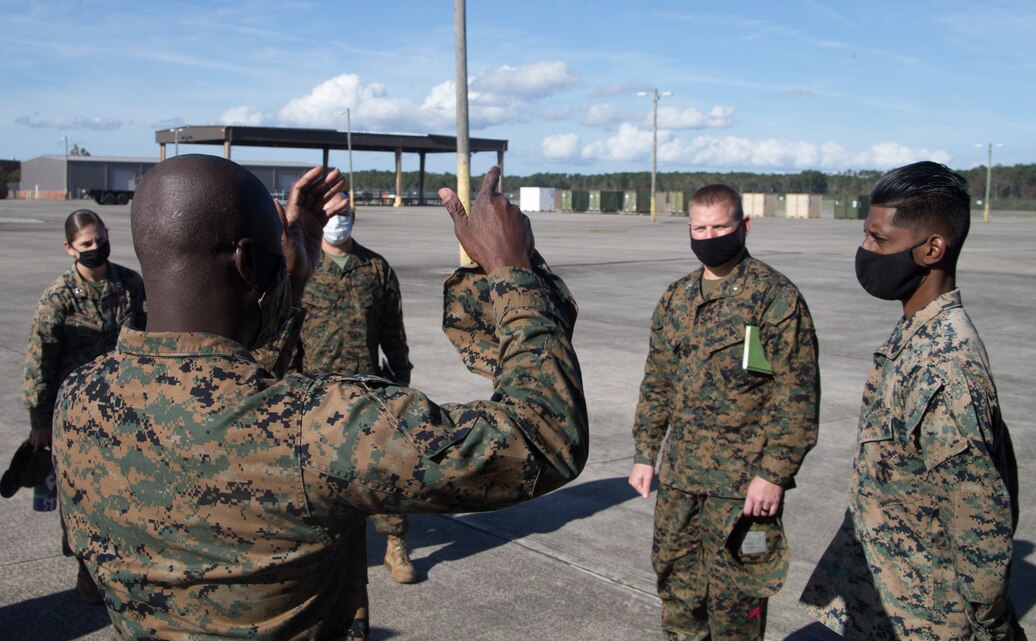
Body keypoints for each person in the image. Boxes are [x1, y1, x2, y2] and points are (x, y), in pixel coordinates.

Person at [52, 154, 588, 640]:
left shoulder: (79, 401)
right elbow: (541, 438)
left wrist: (286, 281)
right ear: (247, 263)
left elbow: (229, 380)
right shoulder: (318, 426)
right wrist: (512, 273)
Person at [800, 161, 1024, 640]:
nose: (864, 250)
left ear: (932, 249)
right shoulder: (916, 334)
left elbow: (980, 525)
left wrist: (991, 627)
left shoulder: (945, 367)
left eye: (878, 240)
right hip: (885, 605)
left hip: (926, 621)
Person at [628, 184, 819, 640]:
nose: (709, 235)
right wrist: (644, 453)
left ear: (743, 227)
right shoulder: (676, 298)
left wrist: (774, 472)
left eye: (719, 226)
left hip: (743, 486)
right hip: (680, 478)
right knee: (677, 588)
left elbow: (797, 394)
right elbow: (657, 381)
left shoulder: (774, 297)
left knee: (737, 599)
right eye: (700, 227)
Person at [21, 208, 147, 604]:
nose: (95, 248)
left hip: (125, 409)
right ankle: (87, 572)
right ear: (70, 249)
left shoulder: (130, 285)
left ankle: (125, 568)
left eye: (99, 239)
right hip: (74, 414)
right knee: (81, 496)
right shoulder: (58, 298)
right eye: (86, 244)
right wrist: (40, 421)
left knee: (127, 491)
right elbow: (39, 363)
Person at [302, 208, 417, 585]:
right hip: (316, 391)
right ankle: (319, 548)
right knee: (316, 474)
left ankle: (395, 544)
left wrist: (400, 378)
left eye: (344, 212)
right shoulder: (302, 266)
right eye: (331, 213)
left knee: (384, 469)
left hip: (368, 389)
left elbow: (392, 330)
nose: (338, 219)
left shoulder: (375, 268)